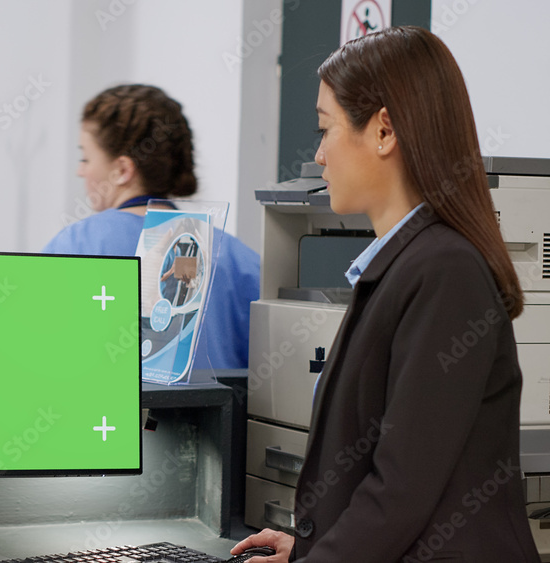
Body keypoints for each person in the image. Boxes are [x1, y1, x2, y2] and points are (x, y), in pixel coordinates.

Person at [231, 26, 539, 562]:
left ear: (383, 131)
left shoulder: (444, 271)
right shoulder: (405, 265)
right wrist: (309, 546)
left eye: (325, 130)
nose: (320, 156)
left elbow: (400, 493)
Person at [43, 84, 259, 370]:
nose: (80, 171)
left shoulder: (77, 244)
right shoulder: (236, 257)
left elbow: (39, 352)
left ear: (122, 170)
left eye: (86, 157)